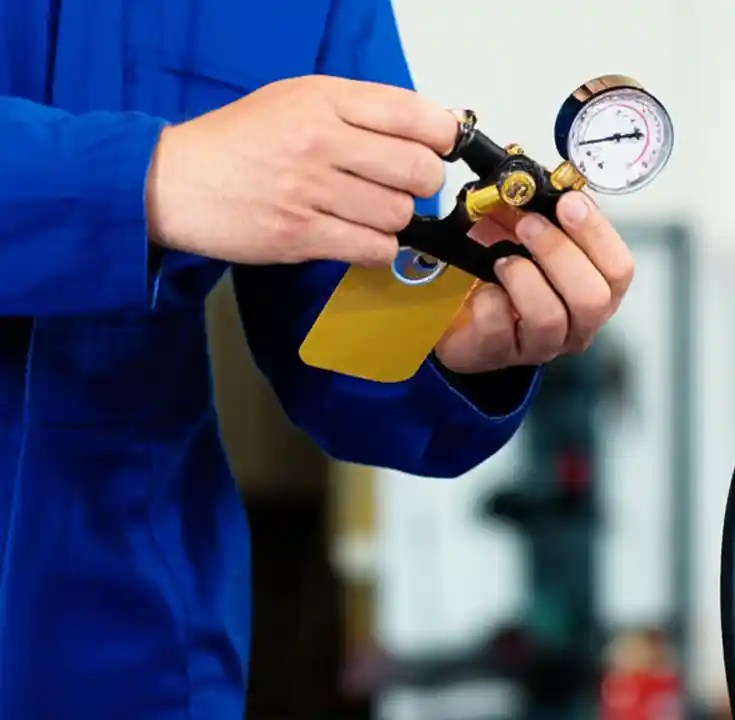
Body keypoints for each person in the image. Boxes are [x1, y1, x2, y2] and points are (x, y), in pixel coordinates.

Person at [0, 1, 637, 717]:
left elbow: (344, 308)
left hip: (137, 651)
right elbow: (168, 181)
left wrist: (454, 340)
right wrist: (148, 180)